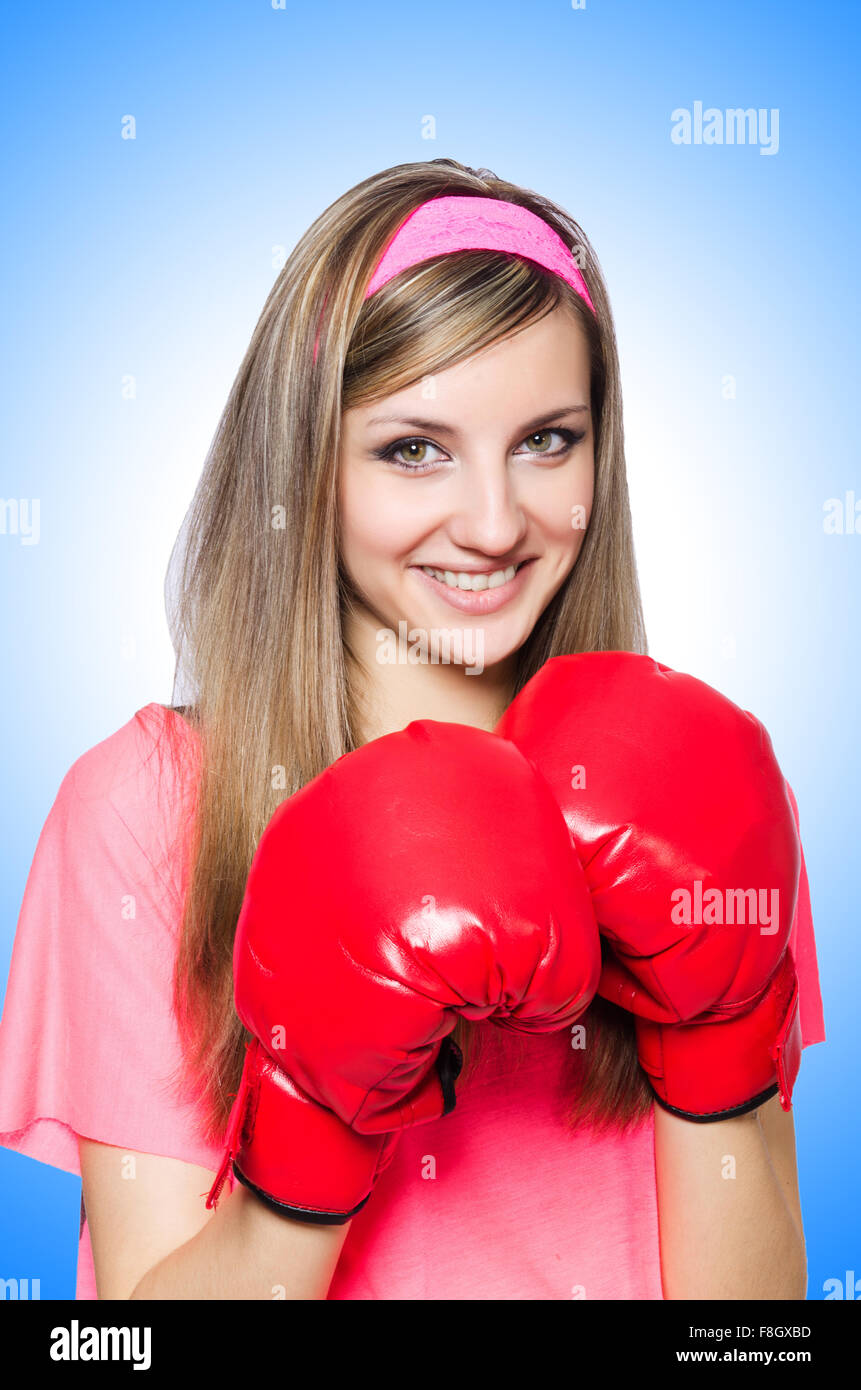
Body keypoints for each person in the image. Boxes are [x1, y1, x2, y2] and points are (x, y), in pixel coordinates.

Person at [0, 158, 825, 1300]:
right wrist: (305, 1138)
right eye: (414, 448)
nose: (494, 522)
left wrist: (718, 1051)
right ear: (309, 460)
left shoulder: (709, 793)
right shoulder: (146, 810)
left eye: (548, 440)